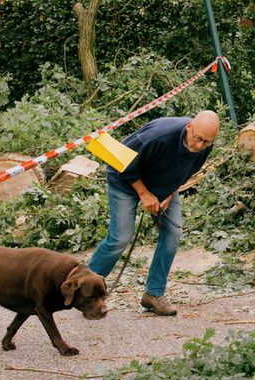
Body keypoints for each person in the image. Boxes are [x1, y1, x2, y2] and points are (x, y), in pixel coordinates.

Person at [87, 109, 220, 315]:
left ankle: (153, 294)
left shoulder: (205, 145)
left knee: (173, 233)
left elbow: (186, 172)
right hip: (124, 180)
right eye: (198, 139)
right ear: (188, 127)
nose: (200, 146)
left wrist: (169, 193)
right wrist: (144, 193)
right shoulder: (158, 135)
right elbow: (119, 160)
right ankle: (85, 288)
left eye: (207, 142)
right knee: (121, 237)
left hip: (161, 188)